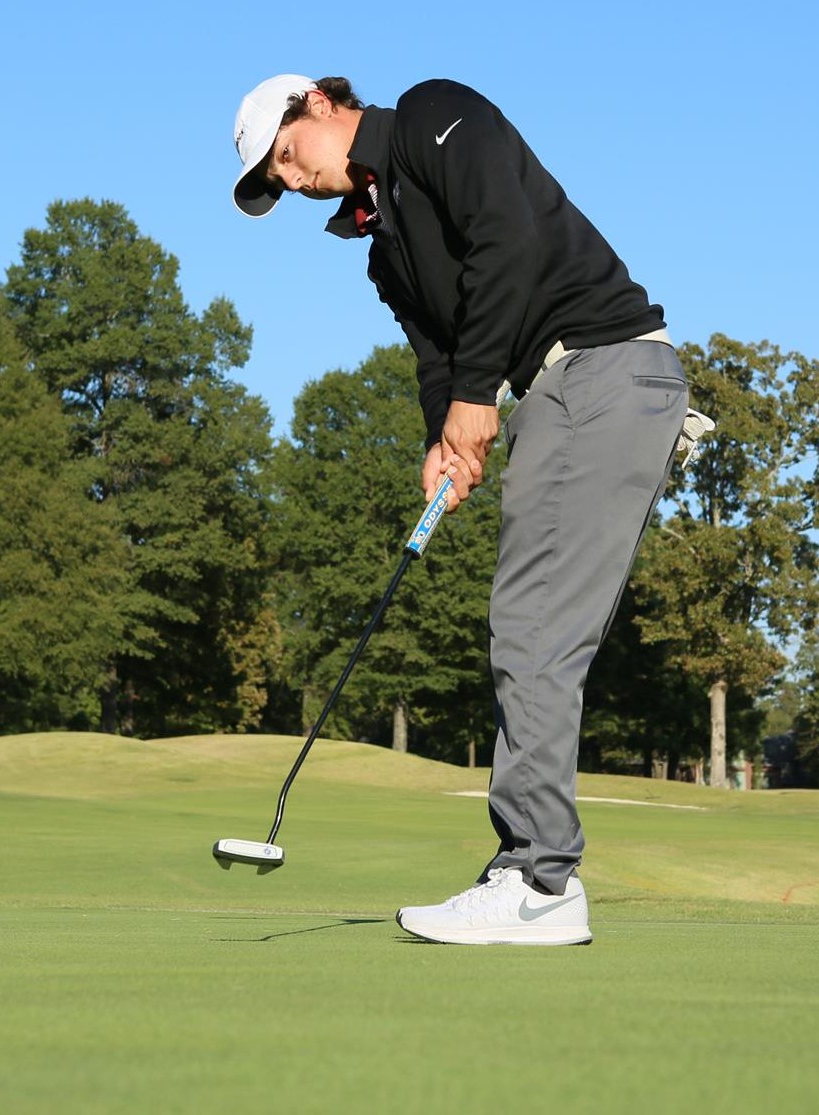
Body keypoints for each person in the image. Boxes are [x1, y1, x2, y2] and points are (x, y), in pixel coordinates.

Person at [231, 74, 695, 946]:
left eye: (287, 156)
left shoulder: (431, 115)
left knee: (531, 628)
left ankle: (538, 877)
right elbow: (436, 354)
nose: (291, 180)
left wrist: (477, 398)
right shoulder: (381, 247)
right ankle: (531, 868)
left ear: (323, 105)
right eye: (277, 180)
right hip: (560, 394)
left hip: (599, 367)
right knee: (529, 626)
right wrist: (445, 438)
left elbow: (505, 241)